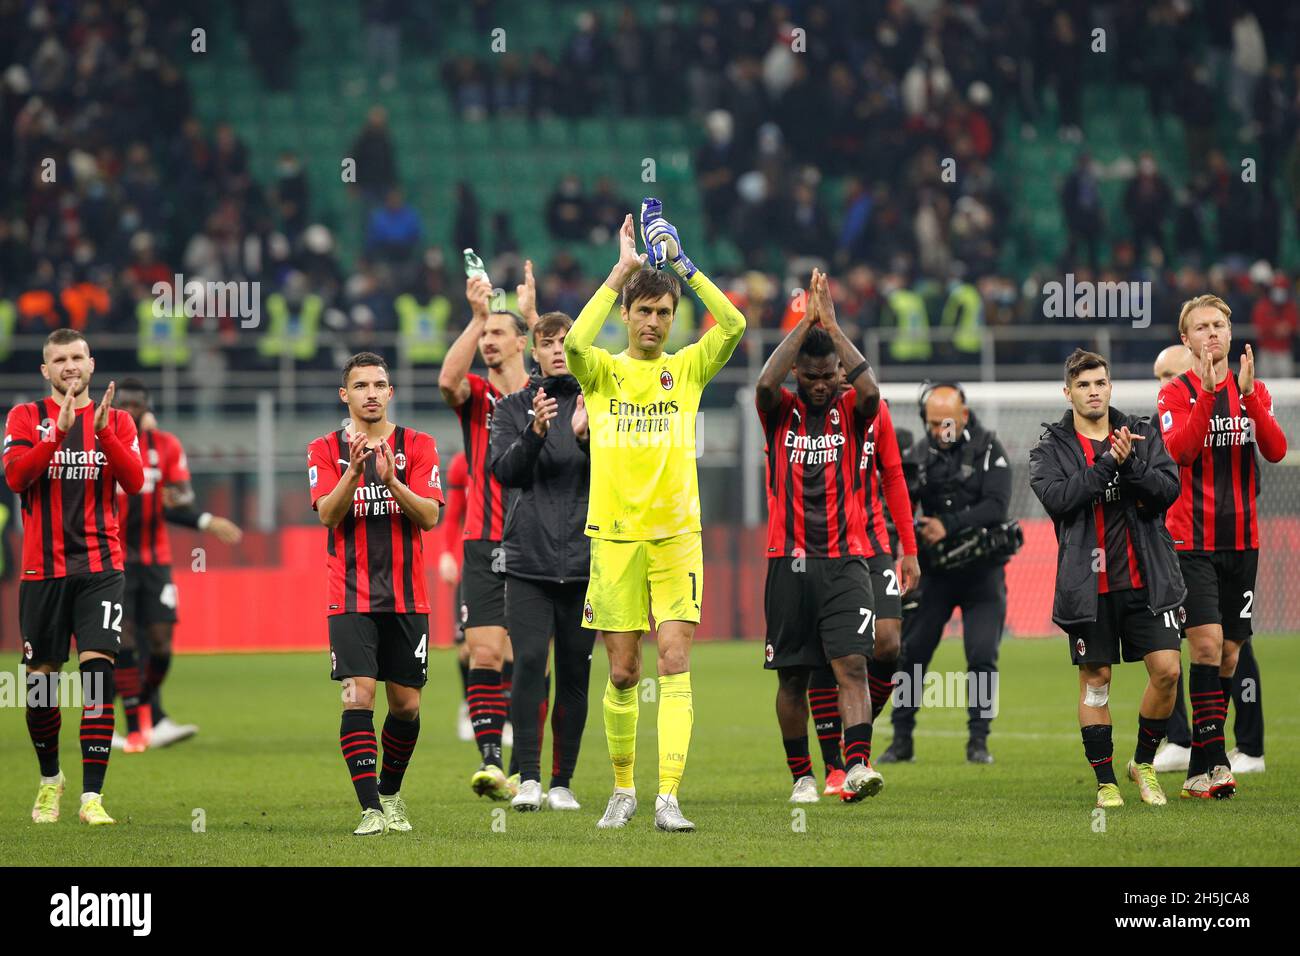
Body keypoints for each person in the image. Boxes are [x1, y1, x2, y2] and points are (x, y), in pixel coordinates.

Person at [564, 201, 746, 832]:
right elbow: (571, 342)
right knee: (622, 670)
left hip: (676, 537)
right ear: (627, 315)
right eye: (643, 311)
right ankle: (623, 789)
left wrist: (684, 266)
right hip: (613, 539)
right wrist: (620, 272)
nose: (653, 322)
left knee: (673, 659)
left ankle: (668, 795)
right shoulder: (604, 374)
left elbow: (734, 324)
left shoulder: (686, 369)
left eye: (663, 313)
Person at [1030, 349, 1185, 808]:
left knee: (1168, 671)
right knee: (1095, 680)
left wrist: (1131, 463)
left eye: (1099, 383)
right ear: (1068, 392)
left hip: (1147, 581)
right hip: (1087, 587)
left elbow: (1167, 490)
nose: (1093, 391)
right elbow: (1059, 499)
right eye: (1083, 385)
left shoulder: (1142, 433)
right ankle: (1106, 782)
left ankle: (1143, 763)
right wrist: (1107, 466)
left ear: (1110, 386)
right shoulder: (1049, 449)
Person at [4, 328, 144, 825]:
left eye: (77, 357)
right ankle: (49, 781)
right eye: (59, 358)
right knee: (40, 685)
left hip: (101, 568)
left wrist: (103, 433)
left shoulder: (118, 420)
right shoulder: (25, 417)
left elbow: (135, 481)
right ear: (46, 370)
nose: (69, 365)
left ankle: (91, 797)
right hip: (42, 572)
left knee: (97, 679)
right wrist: (58, 435)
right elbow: (17, 477)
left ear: (91, 363)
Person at [756, 269, 884, 805]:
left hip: (846, 560)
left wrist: (830, 327)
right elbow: (765, 383)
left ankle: (855, 766)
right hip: (789, 562)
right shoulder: (779, 412)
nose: (823, 383)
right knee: (793, 678)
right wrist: (804, 324)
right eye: (811, 376)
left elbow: (870, 387)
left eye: (830, 373)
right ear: (798, 376)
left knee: (852, 664)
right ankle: (802, 776)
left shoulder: (851, 412)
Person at [1156, 295, 1287, 798]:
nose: (1212, 334)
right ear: (1186, 340)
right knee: (1206, 645)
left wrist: (1250, 398)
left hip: (1243, 542)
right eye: (1201, 328)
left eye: (1219, 325)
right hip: (1191, 542)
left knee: (1229, 656)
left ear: (1230, 334)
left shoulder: (1253, 391)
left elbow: (1275, 450)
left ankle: (1205, 762)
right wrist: (1209, 395)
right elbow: (1181, 453)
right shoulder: (1174, 395)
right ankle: (1209, 764)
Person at [309, 352, 443, 835]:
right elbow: (327, 514)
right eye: (360, 385)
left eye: (379, 384)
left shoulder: (420, 445)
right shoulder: (323, 448)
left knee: (406, 706)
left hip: (409, 598)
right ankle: (370, 809)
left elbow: (429, 516)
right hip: (349, 595)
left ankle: (390, 793)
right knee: (357, 696)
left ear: (391, 393)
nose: (371, 392)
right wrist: (353, 471)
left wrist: (391, 482)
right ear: (345, 395)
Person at [438, 263, 538, 800]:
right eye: (485, 336)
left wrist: (529, 314)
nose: (488, 342)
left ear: (522, 342)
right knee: (483, 653)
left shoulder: (544, 391)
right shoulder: (476, 397)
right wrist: (476, 318)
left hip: (541, 539)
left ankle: (530, 767)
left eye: (500, 333)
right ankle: (492, 762)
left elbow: (562, 358)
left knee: (531, 656)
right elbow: (446, 382)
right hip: (483, 540)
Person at [491, 311, 595, 812]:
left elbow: (620, 476)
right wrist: (534, 431)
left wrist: (586, 441)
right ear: (533, 351)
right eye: (548, 342)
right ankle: (528, 777)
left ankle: (562, 783)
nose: (557, 349)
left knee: (575, 672)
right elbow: (506, 473)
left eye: (566, 341)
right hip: (528, 562)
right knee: (530, 662)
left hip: (584, 562)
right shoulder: (512, 407)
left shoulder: (600, 404)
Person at [879, 382, 1012, 764]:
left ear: (964, 416)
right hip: (935, 574)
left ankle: (978, 742)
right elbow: (902, 507)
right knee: (911, 656)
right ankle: (901, 740)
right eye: (934, 424)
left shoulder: (988, 448)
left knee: (982, 655)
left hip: (982, 574)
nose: (942, 431)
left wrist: (947, 524)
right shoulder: (918, 455)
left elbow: (997, 506)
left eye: (948, 423)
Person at [1149, 346, 1266, 775]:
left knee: (1231, 648)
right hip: (1172, 546)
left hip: (1220, 547)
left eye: (1170, 374)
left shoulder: (1229, 421)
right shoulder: (1160, 424)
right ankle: (1183, 740)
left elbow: (1251, 481)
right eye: (1158, 376)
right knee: (1174, 644)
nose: (1163, 384)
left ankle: (1249, 744)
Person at [110, 381, 243, 752]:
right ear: (116, 407)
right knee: (123, 642)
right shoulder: (102, 443)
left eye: (138, 403)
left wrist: (199, 515)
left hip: (156, 560)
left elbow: (181, 496)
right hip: (112, 560)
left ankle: (150, 716)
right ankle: (137, 724)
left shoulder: (165, 445)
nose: (133, 409)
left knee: (161, 644)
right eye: (126, 404)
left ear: (147, 407)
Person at [806, 386, 919, 796]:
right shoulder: (802, 413)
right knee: (828, 655)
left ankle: (855, 739)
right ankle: (839, 766)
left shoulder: (874, 410)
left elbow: (893, 475)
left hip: (871, 541)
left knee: (887, 644)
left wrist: (909, 547)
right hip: (818, 545)